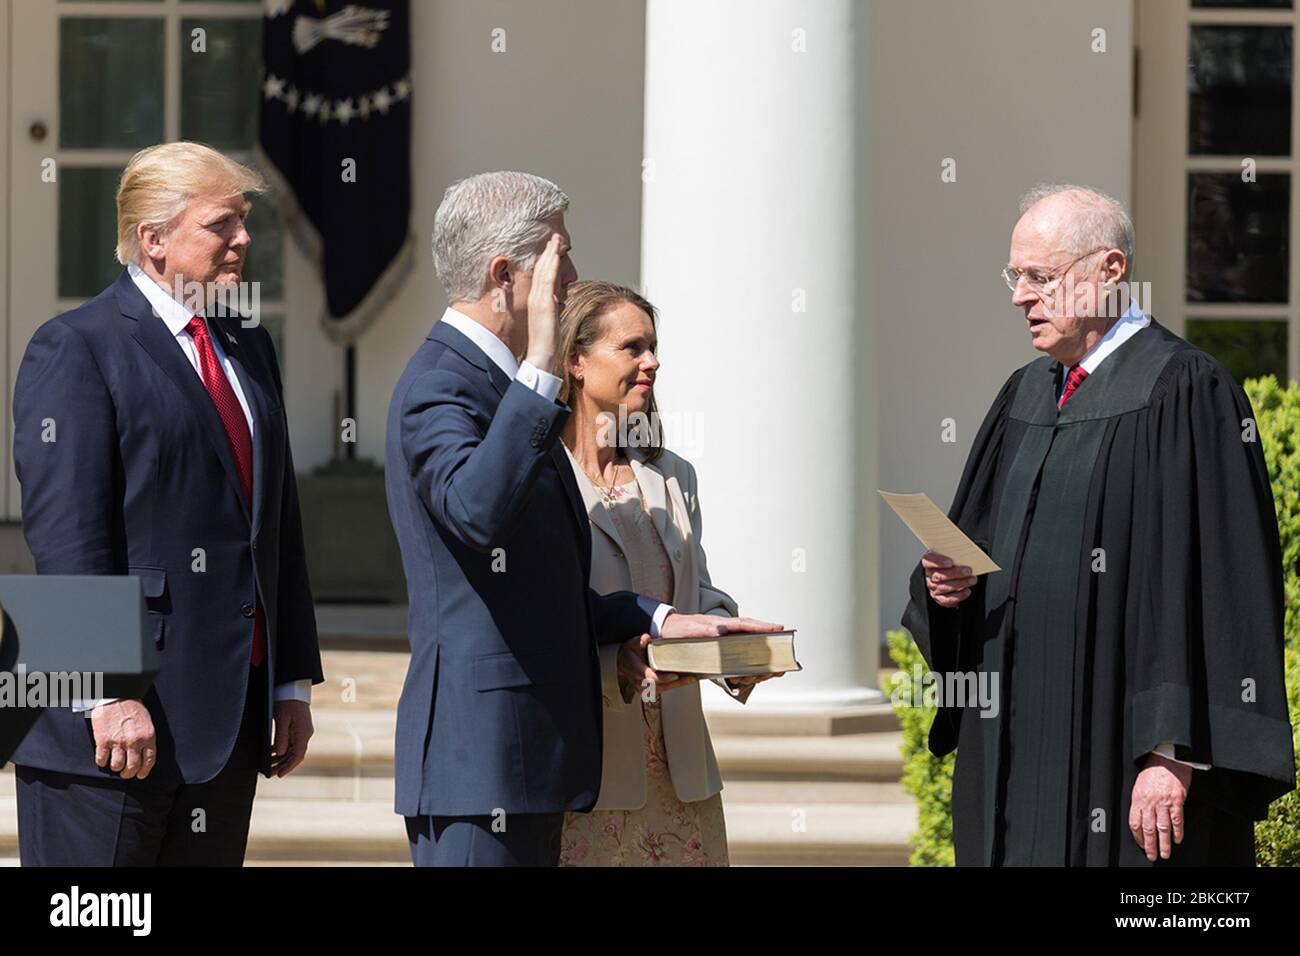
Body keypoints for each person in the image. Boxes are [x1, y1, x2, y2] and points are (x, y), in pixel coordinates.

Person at [385, 171, 778, 867]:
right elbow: (477, 514)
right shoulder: (443, 383)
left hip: (535, 762)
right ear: (506, 275)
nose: (572, 276)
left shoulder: (508, 396)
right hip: (484, 762)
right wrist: (540, 366)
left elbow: (545, 588)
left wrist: (654, 619)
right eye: (560, 256)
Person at [902, 183, 1295, 866]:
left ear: (1110, 271)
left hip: (1126, 764)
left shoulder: (1186, 393)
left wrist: (1173, 753)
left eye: (1039, 276)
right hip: (1011, 753)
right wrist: (949, 590)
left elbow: (1226, 587)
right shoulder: (1023, 396)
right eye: (1015, 276)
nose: (1019, 296)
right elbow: (973, 552)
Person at [10, 142, 323, 866]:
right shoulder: (76, 348)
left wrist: (289, 679)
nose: (244, 239)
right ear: (153, 240)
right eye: (222, 224)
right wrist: (105, 694)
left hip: (229, 722)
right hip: (109, 731)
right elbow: (65, 536)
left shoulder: (248, 344)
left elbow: (276, 525)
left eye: (243, 221)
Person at [551, 281, 781, 866]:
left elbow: (694, 592)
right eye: (632, 347)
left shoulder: (673, 474)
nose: (651, 361)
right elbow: (542, 618)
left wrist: (732, 638)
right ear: (577, 360)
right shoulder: (540, 478)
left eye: (653, 347)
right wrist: (615, 662)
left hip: (682, 776)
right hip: (589, 775)